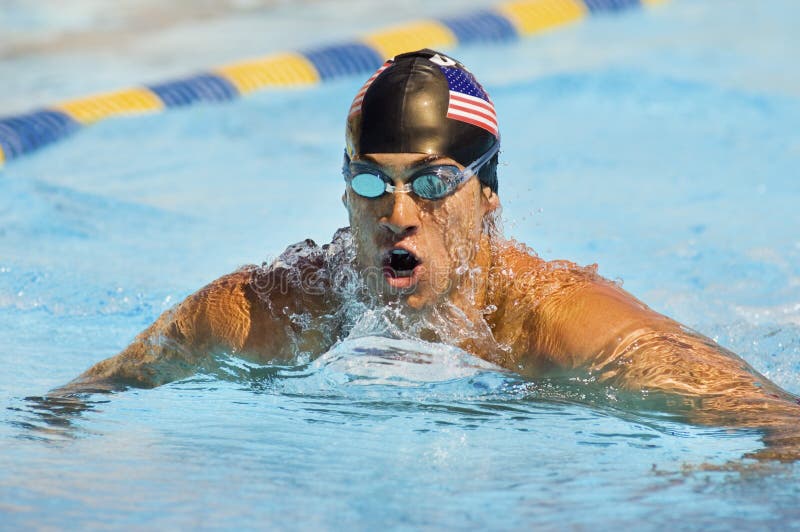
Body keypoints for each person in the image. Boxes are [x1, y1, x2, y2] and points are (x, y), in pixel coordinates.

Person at [58, 49, 800, 459]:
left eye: (433, 182)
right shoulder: (272, 311)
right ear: (345, 195)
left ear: (488, 195)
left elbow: (780, 423)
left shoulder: (561, 327)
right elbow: (80, 397)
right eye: (371, 181)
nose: (398, 214)